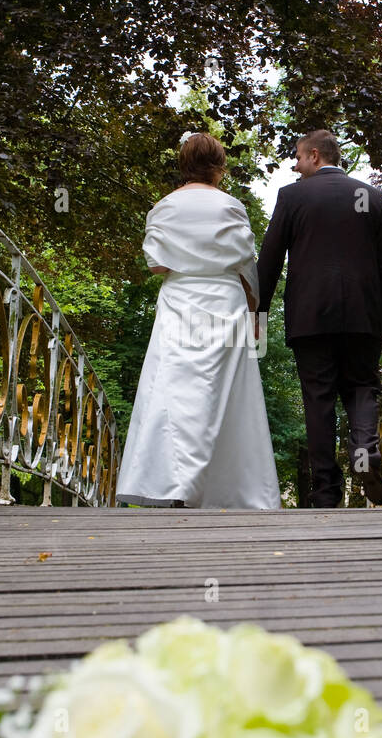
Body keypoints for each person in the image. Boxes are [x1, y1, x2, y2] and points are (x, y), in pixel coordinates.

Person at [115, 132, 281, 510]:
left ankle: (175, 486)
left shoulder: (163, 209)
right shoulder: (231, 207)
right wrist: (256, 312)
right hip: (226, 302)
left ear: (182, 165)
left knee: (174, 392)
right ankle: (230, 491)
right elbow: (244, 264)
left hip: (180, 302)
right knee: (230, 398)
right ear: (220, 167)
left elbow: (157, 265)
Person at [255, 129, 382, 508]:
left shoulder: (292, 196)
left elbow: (269, 261)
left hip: (310, 317)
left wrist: (258, 312)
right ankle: (364, 450)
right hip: (363, 315)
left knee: (318, 400)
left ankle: (325, 493)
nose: (295, 164)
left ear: (315, 156)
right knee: (360, 388)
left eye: (298, 157)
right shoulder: (370, 196)